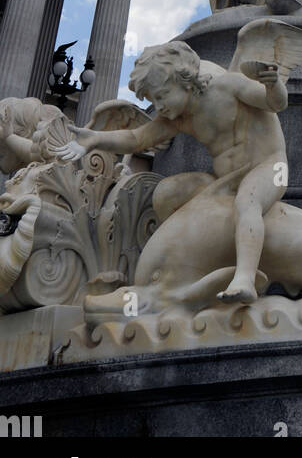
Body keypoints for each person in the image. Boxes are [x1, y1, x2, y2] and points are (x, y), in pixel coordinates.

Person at [57, 40, 287, 305]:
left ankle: (245, 278)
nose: (159, 105)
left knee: (248, 201)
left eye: (162, 95)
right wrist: (96, 138)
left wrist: (273, 84)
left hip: (269, 167)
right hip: (225, 181)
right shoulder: (179, 114)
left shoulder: (226, 85)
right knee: (166, 193)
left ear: (184, 78)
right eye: (153, 100)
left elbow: (274, 103)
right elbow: (136, 138)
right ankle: (190, 264)